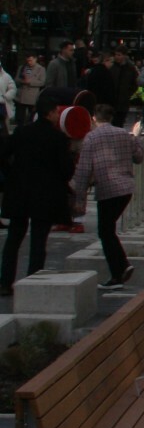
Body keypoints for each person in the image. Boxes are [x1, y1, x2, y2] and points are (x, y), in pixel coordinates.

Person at [69, 104, 142, 289]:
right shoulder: (124, 134)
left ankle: (120, 271)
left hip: (108, 188)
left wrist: (79, 200)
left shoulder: (91, 138)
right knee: (107, 229)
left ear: (94, 118)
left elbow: (84, 170)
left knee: (105, 231)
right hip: (126, 187)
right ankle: (120, 269)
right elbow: (139, 157)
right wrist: (135, 137)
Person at [3, 95, 70, 292]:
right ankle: (31, 283)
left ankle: (5, 282)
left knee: (13, 239)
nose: (58, 115)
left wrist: (11, 175)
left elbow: (3, 155)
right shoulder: (57, 138)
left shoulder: (22, 132)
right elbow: (66, 170)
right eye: (57, 111)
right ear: (49, 114)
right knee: (39, 241)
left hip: (19, 192)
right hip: (45, 195)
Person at [15, 54, 43, 128]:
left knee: (32, 116)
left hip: (32, 96)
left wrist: (30, 82)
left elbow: (42, 82)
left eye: (31, 60)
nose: (29, 62)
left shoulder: (41, 69)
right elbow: (16, 80)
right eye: (28, 61)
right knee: (20, 117)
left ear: (35, 59)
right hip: (21, 96)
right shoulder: (23, 67)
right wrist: (23, 81)